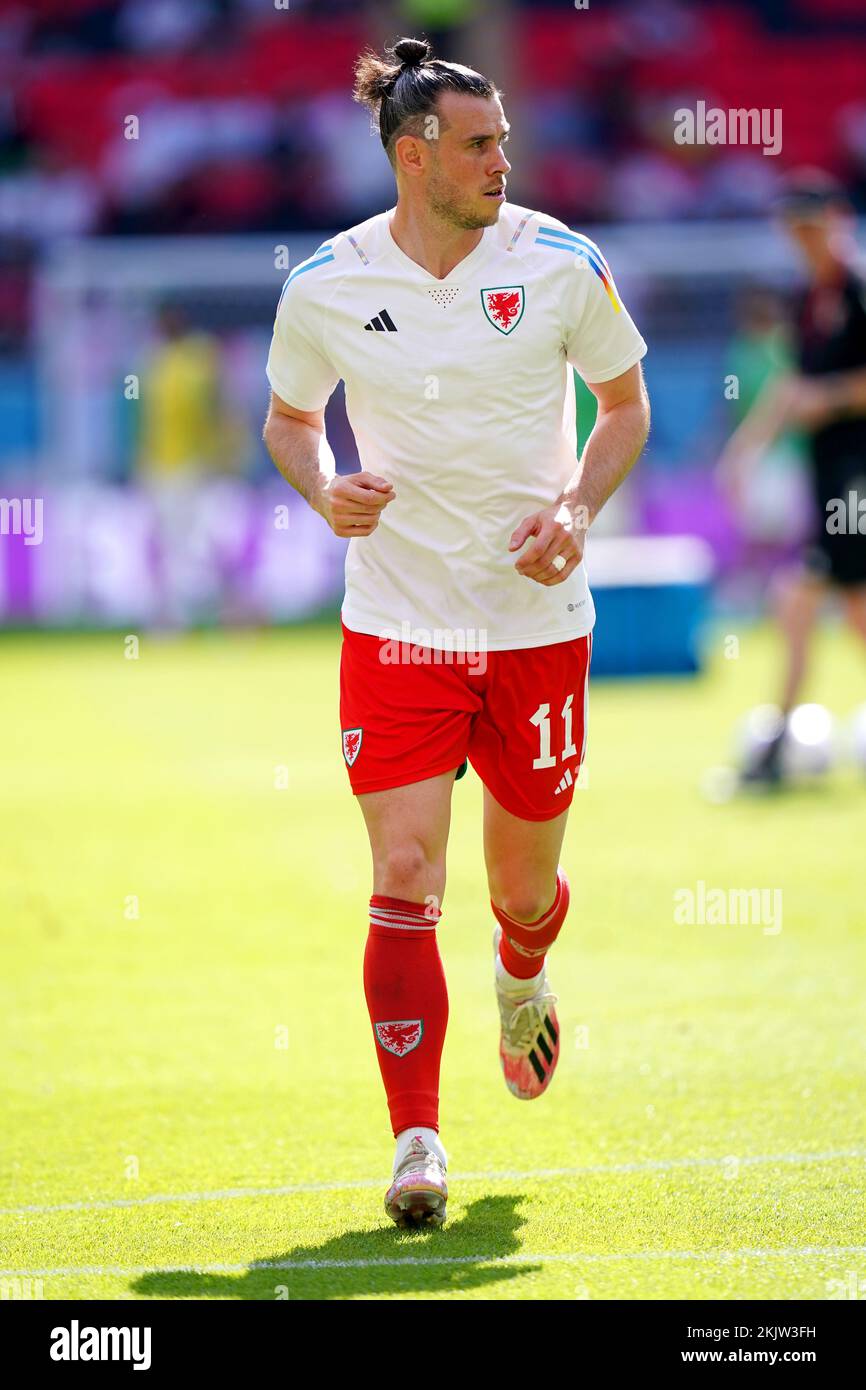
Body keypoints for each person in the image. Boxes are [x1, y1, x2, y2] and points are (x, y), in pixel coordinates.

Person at [263, 36, 650, 1228]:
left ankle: (521, 973)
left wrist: (577, 508)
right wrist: (322, 484)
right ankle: (417, 1137)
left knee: (522, 890)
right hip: (396, 629)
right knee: (403, 873)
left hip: (536, 628)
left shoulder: (559, 263)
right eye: (480, 145)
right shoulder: (324, 282)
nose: (503, 159)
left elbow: (625, 406)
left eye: (503, 142)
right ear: (411, 155)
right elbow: (287, 421)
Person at [719, 171, 866, 785]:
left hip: (858, 478)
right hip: (831, 475)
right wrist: (746, 448)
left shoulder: (858, 292)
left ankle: (777, 742)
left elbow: (822, 389)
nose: (800, 239)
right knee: (847, 607)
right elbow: (789, 386)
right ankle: (778, 741)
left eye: (809, 225)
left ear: (834, 219)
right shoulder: (809, 299)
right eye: (792, 228)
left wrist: (826, 399)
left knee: (801, 600)